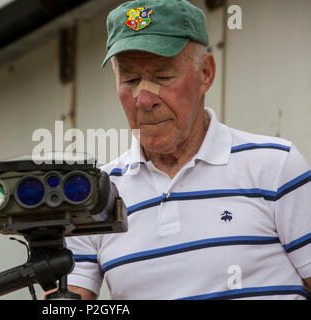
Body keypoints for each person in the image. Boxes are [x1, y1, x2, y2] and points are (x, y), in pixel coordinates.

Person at [61, 0, 311, 299]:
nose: (144, 99)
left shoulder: (276, 166)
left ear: (206, 73)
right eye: (130, 79)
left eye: (163, 77)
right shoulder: (93, 193)